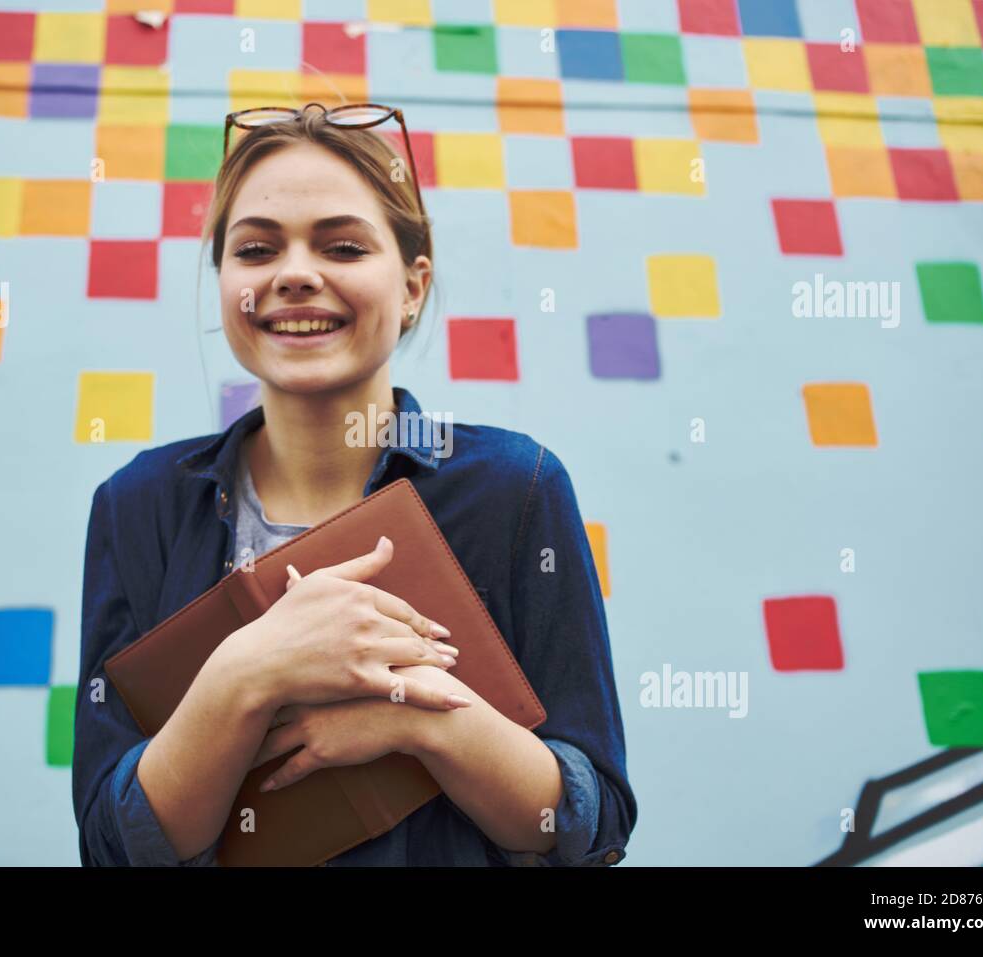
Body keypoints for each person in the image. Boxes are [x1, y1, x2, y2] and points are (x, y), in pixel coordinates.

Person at [73, 104, 637, 866]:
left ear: (411, 286)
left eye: (341, 245)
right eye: (256, 249)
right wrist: (249, 671)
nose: (295, 273)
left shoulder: (516, 489)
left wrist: (418, 717)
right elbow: (111, 847)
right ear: (225, 285)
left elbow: (589, 823)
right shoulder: (136, 505)